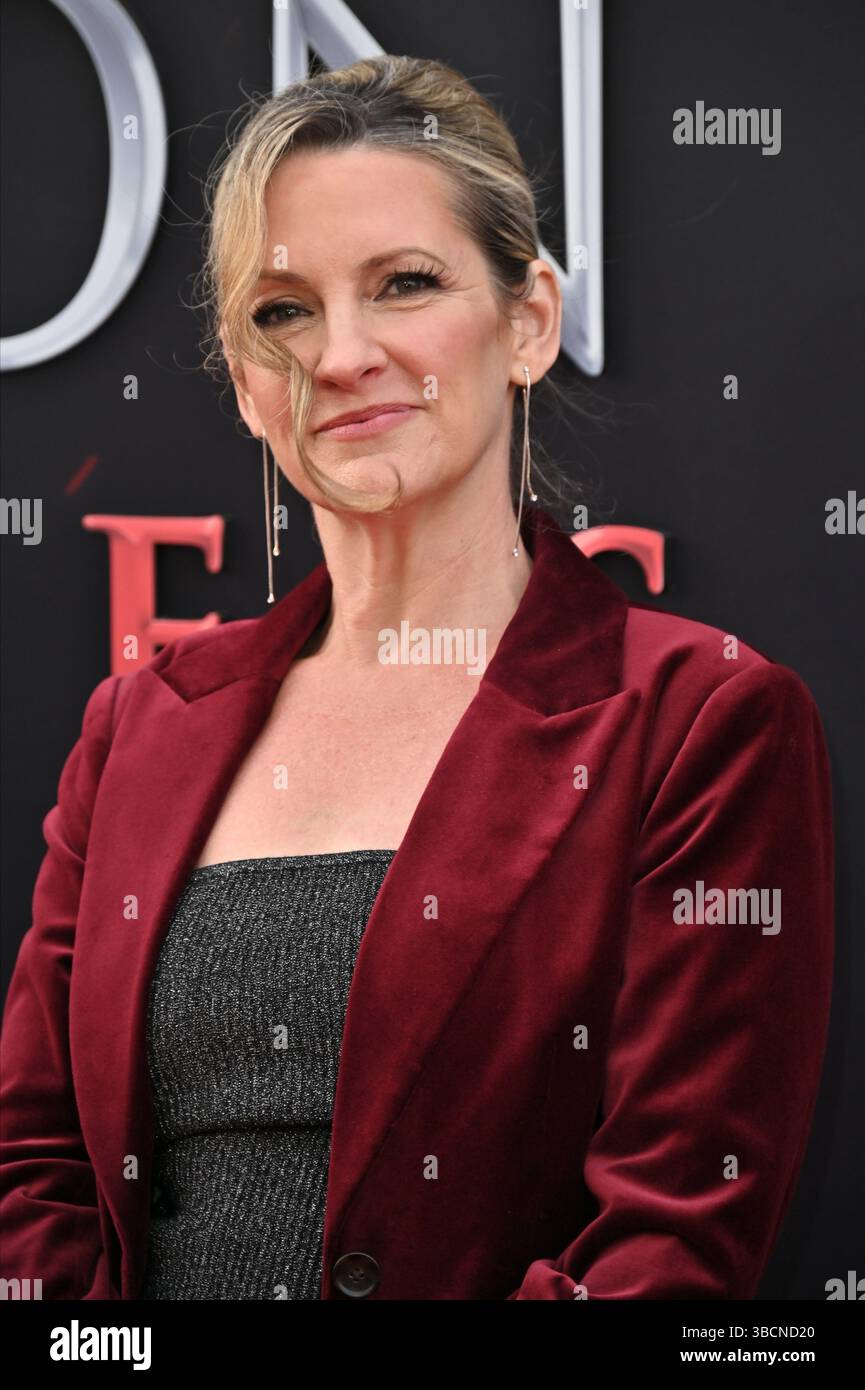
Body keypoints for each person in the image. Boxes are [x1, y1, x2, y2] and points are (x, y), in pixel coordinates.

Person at [0, 55, 833, 1301]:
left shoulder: (701, 722)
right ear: (243, 383)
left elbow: (671, 1241)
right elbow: (34, 1172)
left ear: (529, 320)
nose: (341, 356)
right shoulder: (139, 728)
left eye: (404, 284)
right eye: (282, 311)